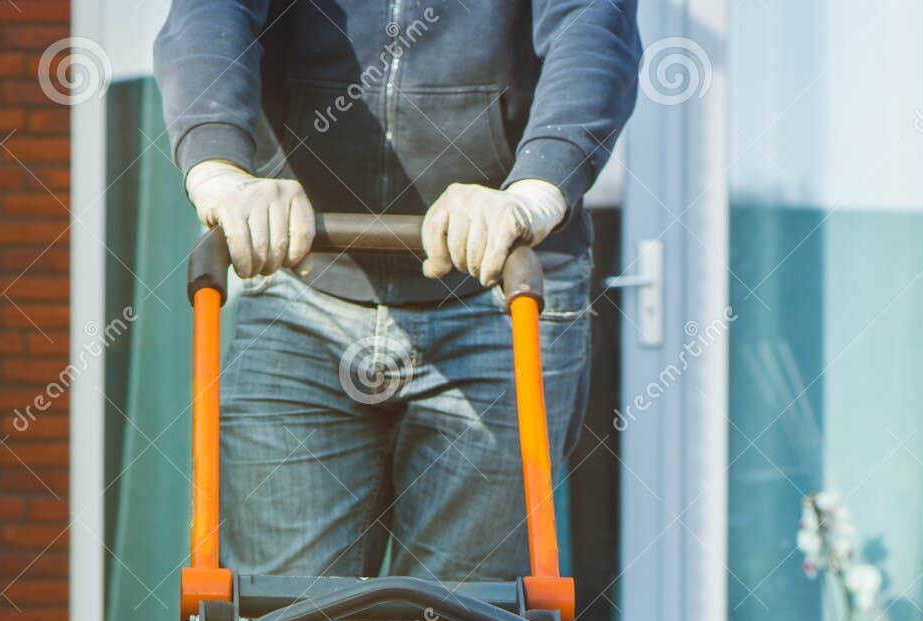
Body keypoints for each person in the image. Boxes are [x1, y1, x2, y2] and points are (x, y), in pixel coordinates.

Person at [154, 0, 641, 588]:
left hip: (496, 294)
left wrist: (535, 188)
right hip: (302, 290)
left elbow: (591, 25)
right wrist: (220, 169)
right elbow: (211, 12)